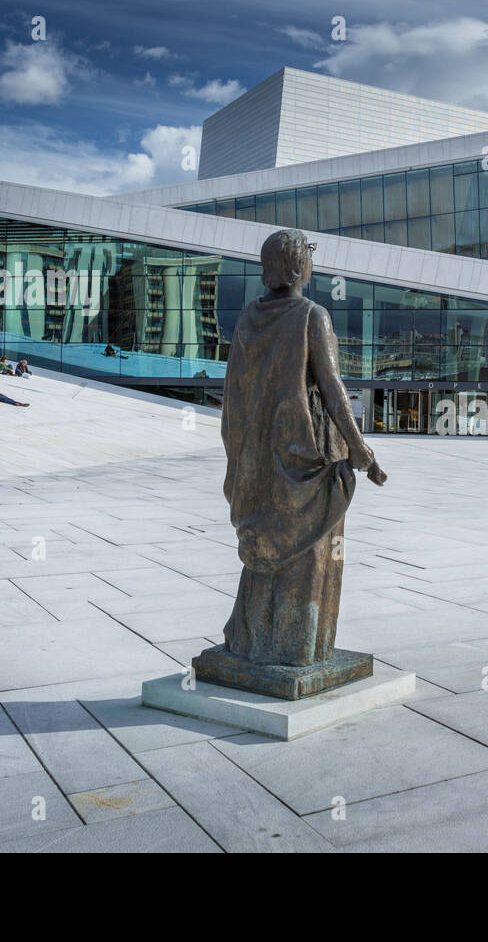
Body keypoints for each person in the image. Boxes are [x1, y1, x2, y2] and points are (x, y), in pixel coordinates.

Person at [212, 228, 386, 671]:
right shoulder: (312, 315)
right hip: (308, 458)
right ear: (298, 266)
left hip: (260, 457)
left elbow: (235, 394)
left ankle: (252, 642)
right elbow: (332, 387)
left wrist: (243, 457)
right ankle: (298, 648)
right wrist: (357, 445)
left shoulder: (248, 318)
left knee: (267, 544)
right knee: (313, 547)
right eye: (308, 255)